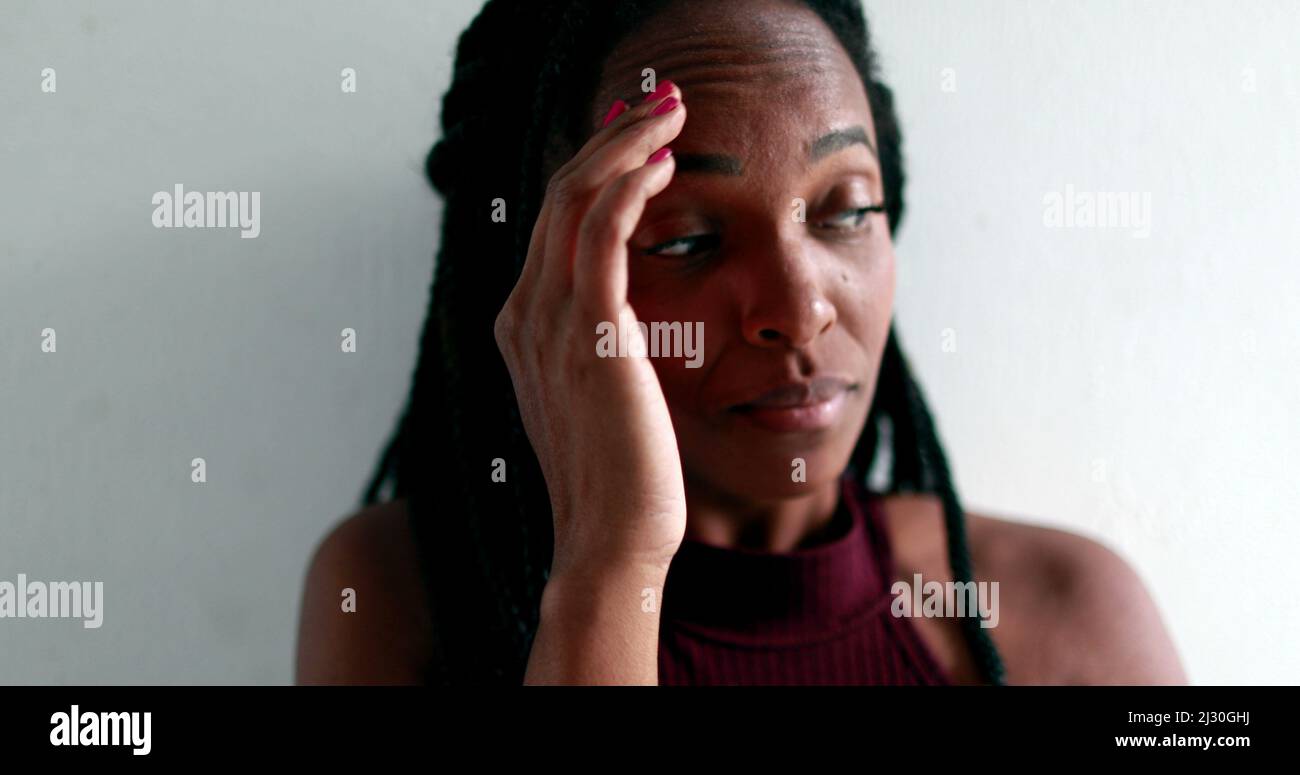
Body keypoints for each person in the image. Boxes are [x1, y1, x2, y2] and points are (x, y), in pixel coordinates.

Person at [295, 0, 1187, 685]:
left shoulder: (1064, 610)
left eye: (845, 210)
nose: (800, 312)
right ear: (542, 293)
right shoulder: (404, 592)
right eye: (685, 240)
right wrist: (610, 567)